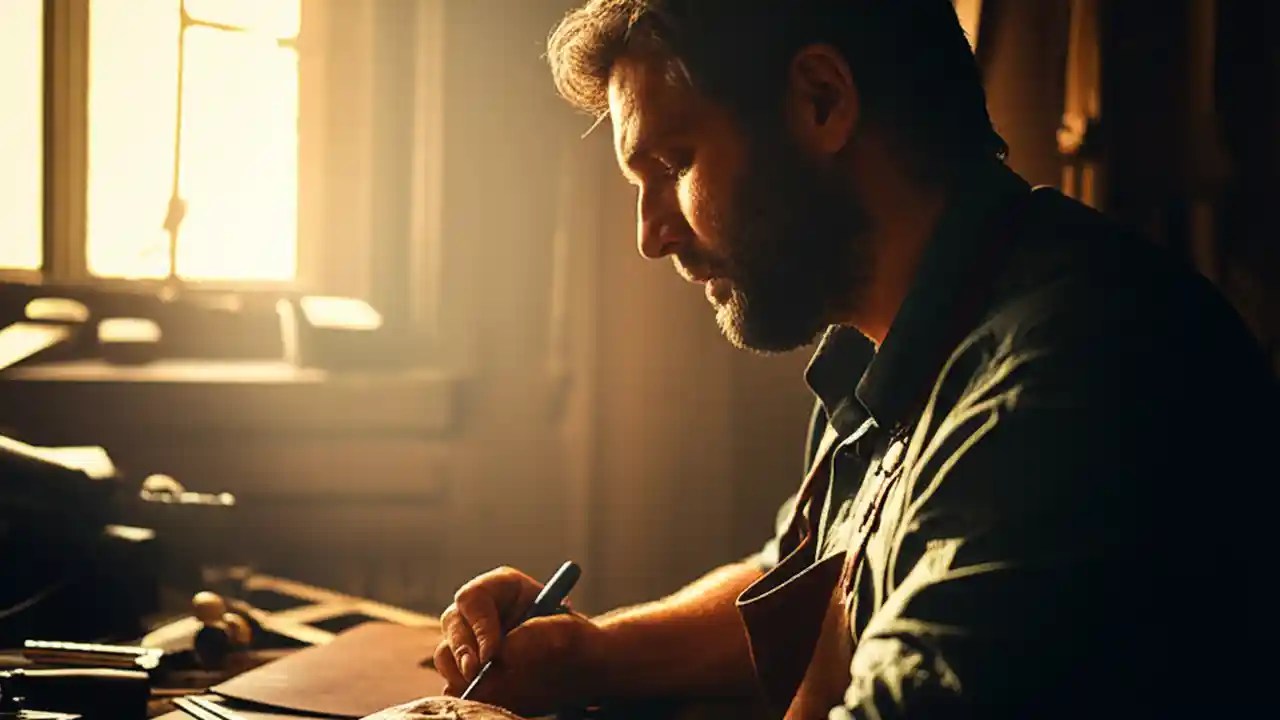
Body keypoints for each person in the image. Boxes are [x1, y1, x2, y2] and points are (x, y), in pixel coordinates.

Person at [369, 1, 1275, 718]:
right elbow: (816, 586)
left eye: (674, 162)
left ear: (822, 102)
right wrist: (592, 654)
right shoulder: (885, 342)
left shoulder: (1073, 378)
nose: (651, 236)